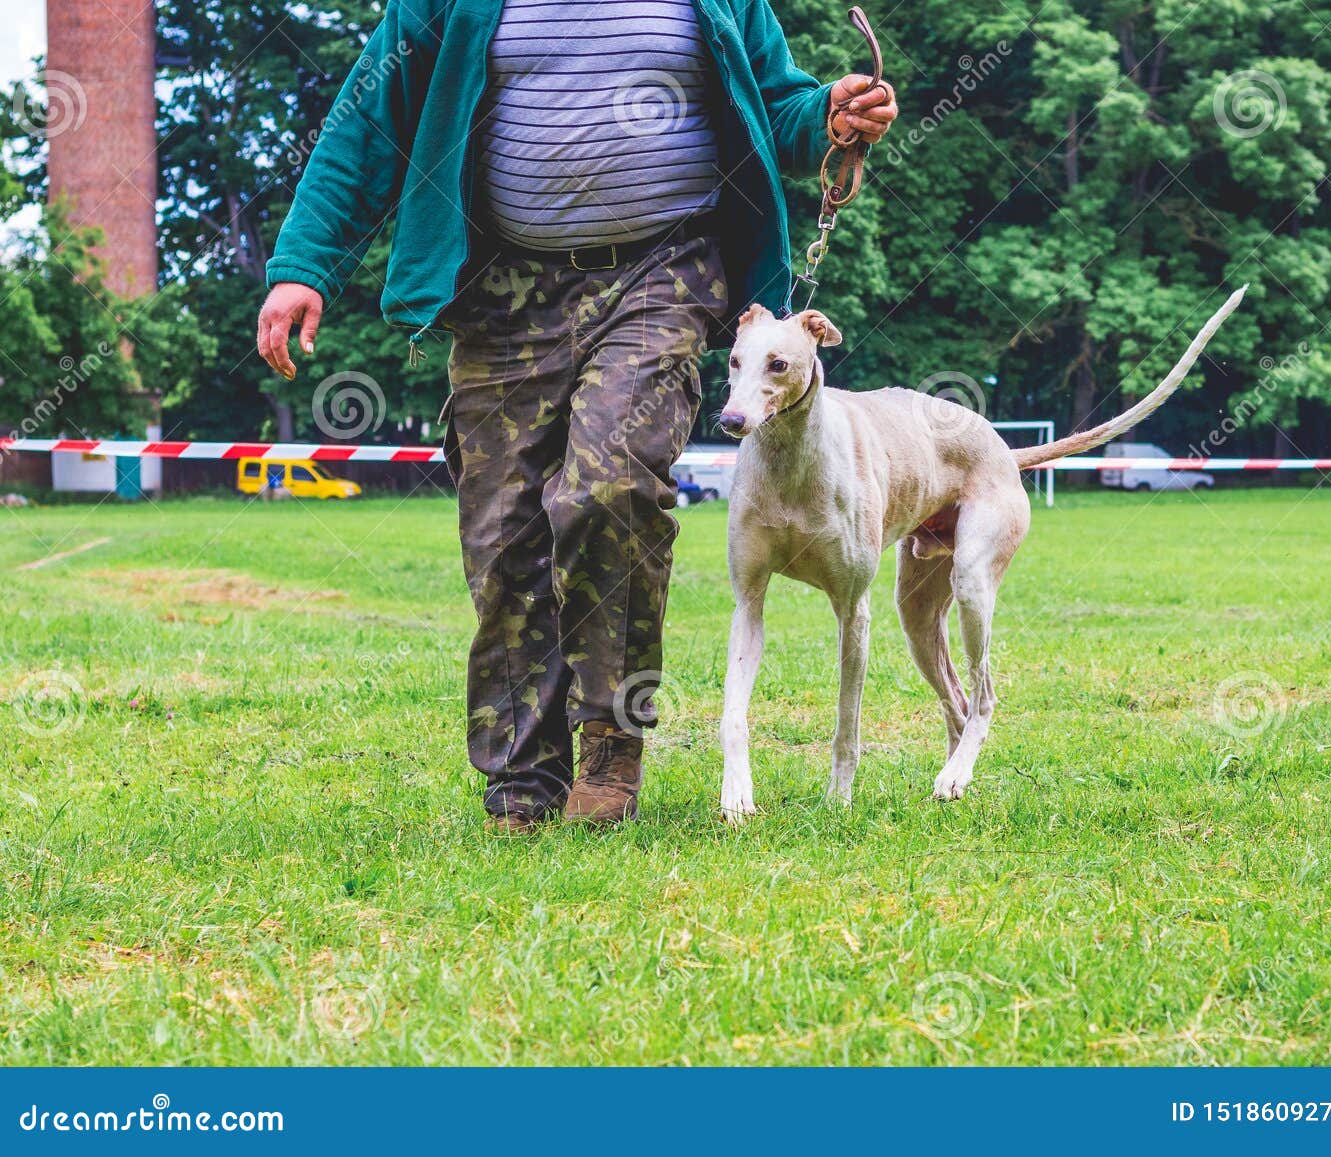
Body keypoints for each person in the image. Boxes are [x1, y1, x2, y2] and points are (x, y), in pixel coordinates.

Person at [255, 0, 897, 828]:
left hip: (663, 268)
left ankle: (609, 738)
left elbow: (775, 106)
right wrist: (306, 261)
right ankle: (523, 773)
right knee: (504, 528)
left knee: (609, 482)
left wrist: (831, 116)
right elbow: (370, 118)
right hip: (501, 285)